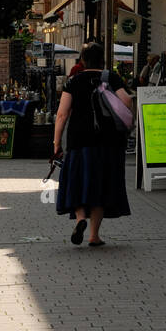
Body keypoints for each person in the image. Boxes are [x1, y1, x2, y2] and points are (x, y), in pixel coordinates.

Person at [54, 42, 131, 247]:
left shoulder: (74, 81)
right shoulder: (111, 78)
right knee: (100, 185)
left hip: (78, 140)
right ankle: (94, 236)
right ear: (103, 60)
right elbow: (127, 102)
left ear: (82, 61)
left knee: (77, 181)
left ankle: (80, 219)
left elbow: (62, 114)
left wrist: (56, 143)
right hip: (107, 141)